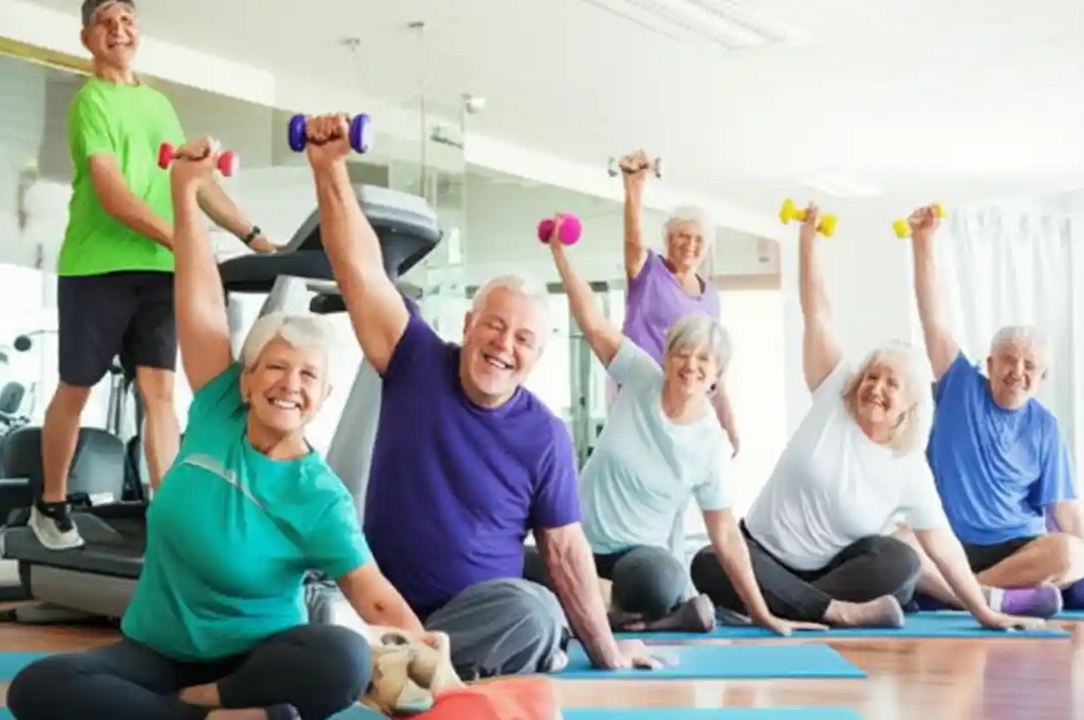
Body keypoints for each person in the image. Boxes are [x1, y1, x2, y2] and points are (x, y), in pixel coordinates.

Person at [6, 138, 425, 720]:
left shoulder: (318, 495)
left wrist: (427, 657)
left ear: (323, 397)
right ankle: (214, 719)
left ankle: (207, 705)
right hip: (157, 653)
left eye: (308, 375)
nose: (289, 383)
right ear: (247, 380)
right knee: (37, 686)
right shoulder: (220, 407)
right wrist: (185, 192)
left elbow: (370, 591)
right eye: (275, 366)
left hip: (259, 662)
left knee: (342, 658)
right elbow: (200, 303)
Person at [300, 114, 658, 680]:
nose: (502, 346)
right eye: (494, 326)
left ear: (537, 356)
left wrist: (608, 652)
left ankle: (397, 667)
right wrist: (331, 169)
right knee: (319, 606)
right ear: (469, 324)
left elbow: (564, 551)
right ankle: (404, 665)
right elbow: (360, 270)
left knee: (534, 612)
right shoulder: (415, 360)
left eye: (522, 339)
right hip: (382, 602)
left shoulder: (545, 435)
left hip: (471, 617)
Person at [691, 205, 1045, 632]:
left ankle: (790, 605)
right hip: (761, 554)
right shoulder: (833, 391)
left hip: (831, 573)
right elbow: (817, 310)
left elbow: (943, 546)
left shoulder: (909, 466)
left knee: (901, 562)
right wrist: (809, 239)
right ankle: (831, 612)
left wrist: (982, 611)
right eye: (872, 376)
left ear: (909, 405)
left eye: (891, 384)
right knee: (709, 562)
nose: (875, 387)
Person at [33, 0, 279, 551]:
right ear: (87, 37)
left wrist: (254, 236)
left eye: (127, 20)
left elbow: (199, 183)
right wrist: (182, 239)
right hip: (98, 265)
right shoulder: (90, 102)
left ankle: (166, 517)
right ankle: (49, 504)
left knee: (160, 392)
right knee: (77, 386)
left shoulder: (160, 105)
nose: (118, 29)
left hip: (160, 269)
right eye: (106, 22)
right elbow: (113, 194)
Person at [526, 216, 827, 637]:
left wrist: (762, 613)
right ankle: (618, 614)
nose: (690, 365)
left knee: (659, 579)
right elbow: (593, 323)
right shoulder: (639, 376)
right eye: (682, 353)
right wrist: (560, 254)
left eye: (703, 360)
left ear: (716, 375)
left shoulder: (710, 445)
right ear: (667, 358)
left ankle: (589, 606)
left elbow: (725, 535)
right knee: (519, 561)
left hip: (636, 561)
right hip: (576, 541)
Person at [905, 204, 1084, 613]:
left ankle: (965, 593)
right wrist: (923, 243)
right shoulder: (958, 387)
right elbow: (932, 318)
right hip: (950, 542)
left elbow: (1066, 510)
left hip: (1017, 548)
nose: (1017, 371)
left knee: (1071, 554)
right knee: (898, 544)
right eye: (1008, 359)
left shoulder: (1045, 426)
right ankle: (984, 597)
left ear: (1041, 376)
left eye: (1029, 365)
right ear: (988, 364)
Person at [616, 149, 740, 457]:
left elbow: (713, 365)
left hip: (689, 401)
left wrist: (728, 421)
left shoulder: (710, 296)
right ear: (668, 239)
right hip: (644, 394)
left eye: (698, 240)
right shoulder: (649, 274)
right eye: (682, 236)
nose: (690, 245)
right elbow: (633, 246)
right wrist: (634, 187)